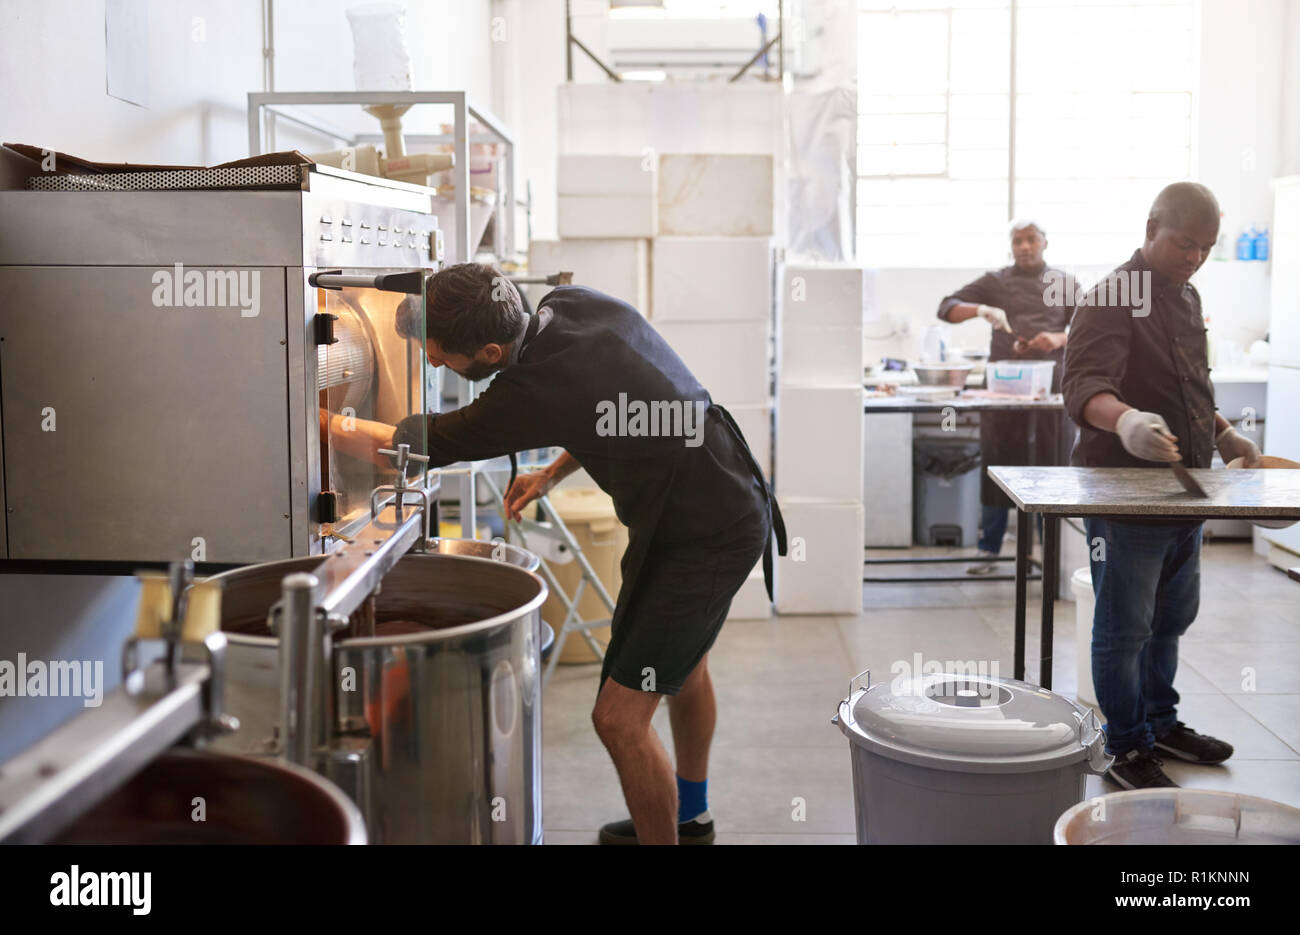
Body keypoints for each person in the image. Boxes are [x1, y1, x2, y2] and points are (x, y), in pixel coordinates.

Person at [383, 263, 784, 843]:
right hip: (712, 496)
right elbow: (610, 402)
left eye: (440, 354)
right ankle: (689, 816)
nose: (434, 363)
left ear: (491, 349)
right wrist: (552, 472)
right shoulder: (569, 305)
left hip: (706, 532)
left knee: (618, 720)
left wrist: (324, 422)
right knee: (683, 666)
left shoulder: (529, 393)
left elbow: (416, 444)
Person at [1062, 182, 1259, 789]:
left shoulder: (1187, 296)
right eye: (1184, 244)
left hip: (1185, 492)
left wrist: (1224, 434)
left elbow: (1190, 386)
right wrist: (1124, 420)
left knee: (1170, 619)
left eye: (1205, 248)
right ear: (1151, 227)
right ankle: (1124, 747)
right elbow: (1082, 387)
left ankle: (1159, 721)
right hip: (1123, 496)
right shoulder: (1109, 299)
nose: (1194, 257)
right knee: (1124, 628)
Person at [937, 220, 1076, 573]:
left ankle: (1052, 555)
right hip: (1004, 389)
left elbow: (1090, 326)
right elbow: (946, 307)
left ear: (1045, 242)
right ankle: (989, 550)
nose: (1024, 247)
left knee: (1052, 466)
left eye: (1031, 240)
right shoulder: (995, 282)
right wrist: (981, 310)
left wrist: (1058, 339)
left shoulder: (1063, 283)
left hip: (1050, 391)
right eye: (1017, 241)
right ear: (1010, 245)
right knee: (998, 465)